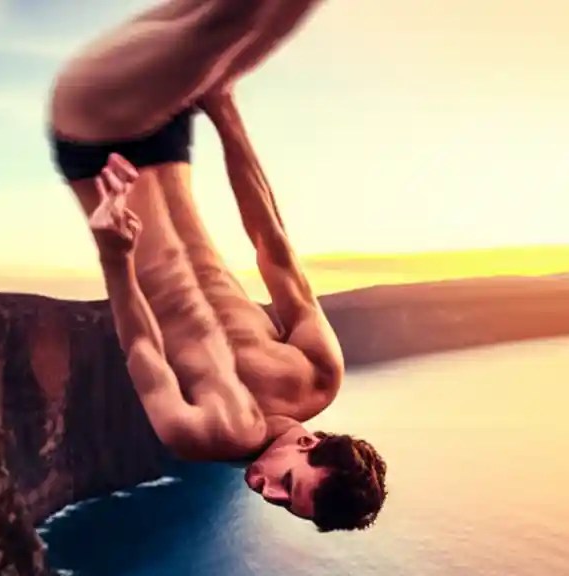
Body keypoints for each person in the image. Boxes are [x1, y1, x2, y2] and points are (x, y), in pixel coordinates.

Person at [47, 0, 386, 532]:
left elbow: (141, 348)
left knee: (227, 22)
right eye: (288, 484)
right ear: (309, 442)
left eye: (281, 502)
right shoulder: (320, 373)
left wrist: (115, 254)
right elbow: (273, 246)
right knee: (230, 21)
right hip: (170, 147)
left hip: (96, 147)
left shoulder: (203, 434)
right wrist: (226, 112)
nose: (266, 490)